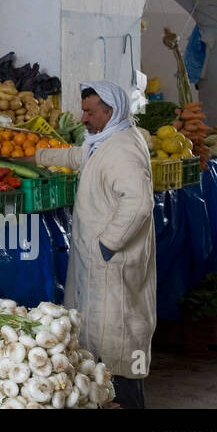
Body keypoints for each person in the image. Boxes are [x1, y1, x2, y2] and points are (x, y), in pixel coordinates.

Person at [32, 81, 156, 409]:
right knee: (101, 340)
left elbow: (140, 203)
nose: (83, 117)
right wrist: (35, 156)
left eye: (89, 111)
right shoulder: (107, 141)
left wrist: (108, 244)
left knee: (119, 342)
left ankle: (129, 404)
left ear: (109, 111)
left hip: (113, 261)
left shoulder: (124, 149)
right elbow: (79, 155)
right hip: (104, 259)